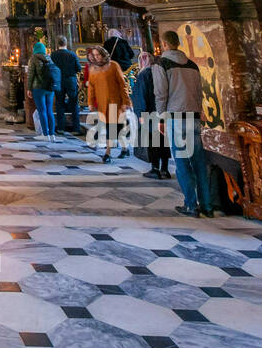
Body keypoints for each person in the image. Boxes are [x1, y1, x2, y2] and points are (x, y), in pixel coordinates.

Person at [153, 31, 212, 217]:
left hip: (175, 117)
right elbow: (199, 91)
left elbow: (161, 93)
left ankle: (190, 205)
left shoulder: (162, 64)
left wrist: (161, 118)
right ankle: (207, 206)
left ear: (163, 44)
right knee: (199, 162)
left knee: (182, 162)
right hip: (193, 115)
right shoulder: (193, 64)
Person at [85, 45, 130, 163]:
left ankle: (107, 153)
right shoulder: (93, 69)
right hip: (102, 103)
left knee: (112, 127)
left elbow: (122, 84)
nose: (96, 57)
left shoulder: (113, 65)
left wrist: (126, 102)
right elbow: (91, 87)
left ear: (103, 54)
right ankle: (125, 148)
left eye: (98, 55)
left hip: (116, 101)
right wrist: (90, 102)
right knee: (114, 127)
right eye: (94, 55)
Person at [130, 50, 170, 179]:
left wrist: (141, 114)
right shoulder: (159, 72)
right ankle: (165, 168)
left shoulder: (144, 74)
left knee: (152, 142)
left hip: (149, 113)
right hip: (162, 111)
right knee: (164, 140)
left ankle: (155, 169)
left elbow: (141, 95)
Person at [26, 41, 59, 140]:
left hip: (38, 88)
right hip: (50, 87)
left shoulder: (33, 58)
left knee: (42, 111)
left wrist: (29, 88)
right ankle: (52, 134)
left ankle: (45, 134)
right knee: (49, 110)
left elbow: (30, 74)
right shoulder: (49, 58)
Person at [51, 37, 82, 134]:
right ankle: (76, 128)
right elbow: (78, 68)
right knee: (74, 103)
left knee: (60, 104)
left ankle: (60, 128)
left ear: (57, 44)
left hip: (59, 81)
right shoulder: (72, 54)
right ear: (66, 44)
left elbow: (51, 68)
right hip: (70, 81)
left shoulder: (54, 55)